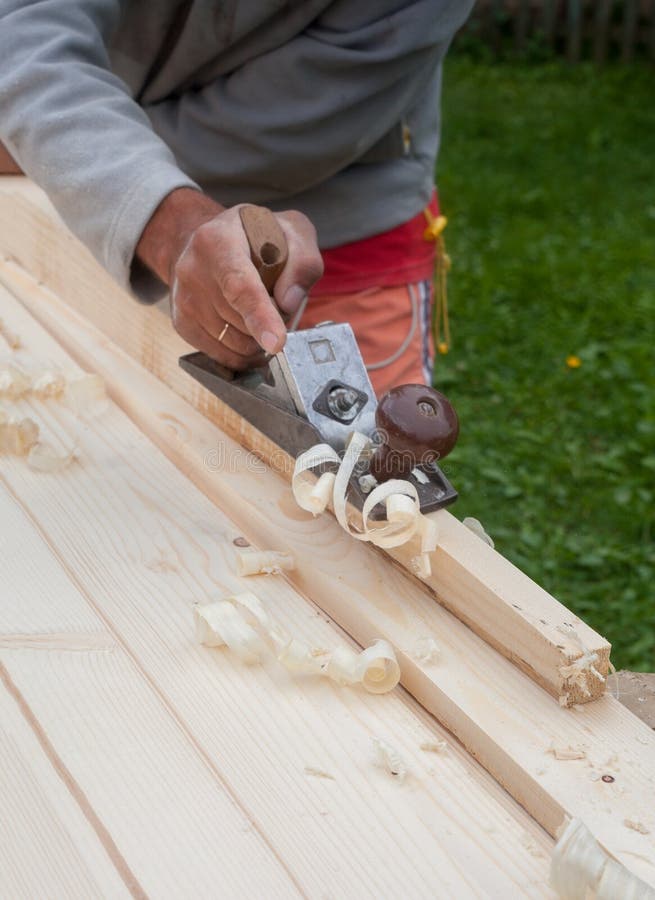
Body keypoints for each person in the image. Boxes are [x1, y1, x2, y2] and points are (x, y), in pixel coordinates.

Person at [0, 1, 473, 395]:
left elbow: (297, 121)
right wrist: (96, 154)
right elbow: (27, 26)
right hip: (96, 213)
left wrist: (77, 143)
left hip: (344, 245)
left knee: (357, 485)